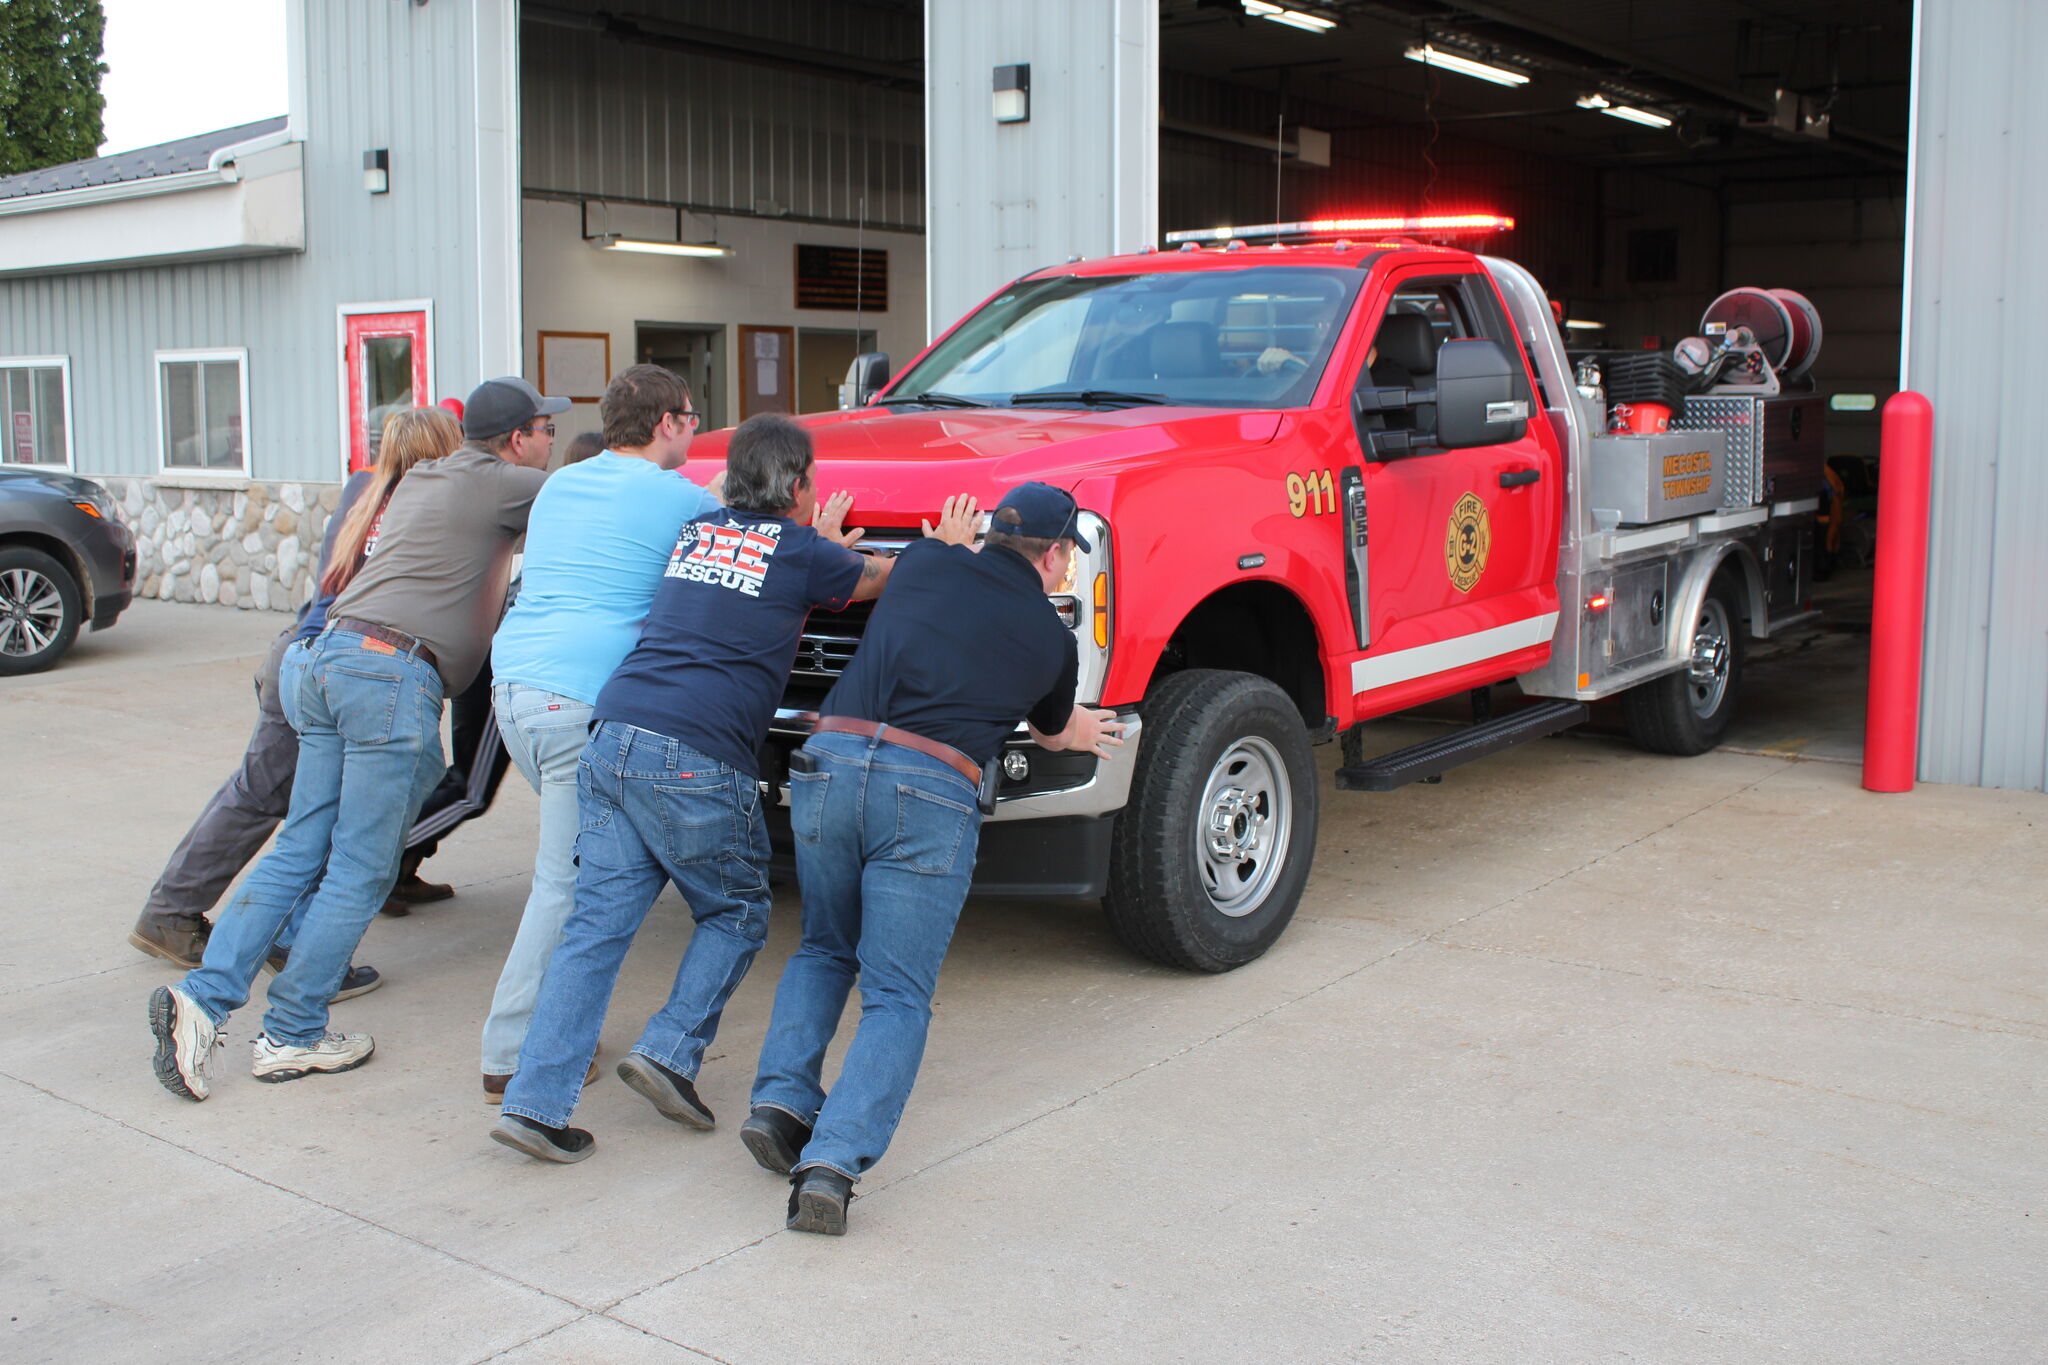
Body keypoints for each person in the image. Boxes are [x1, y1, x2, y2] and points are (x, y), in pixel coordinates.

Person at [489, 413, 895, 1165]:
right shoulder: (803, 551)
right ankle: (670, 1049)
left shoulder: (697, 532)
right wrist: (949, 551)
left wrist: (820, 544)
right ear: (801, 484)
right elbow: (874, 578)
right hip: (695, 754)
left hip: (612, 736)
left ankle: (534, 1104)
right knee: (738, 910)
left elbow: (761, 567)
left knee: (595, 925)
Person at [149, 377, 562, 1102]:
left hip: (327, 659)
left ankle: (204, 1000)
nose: (551, 440)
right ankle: (293, 1030)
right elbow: (585, 501)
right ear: (515, 440)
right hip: (389, 675)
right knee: (360, 869)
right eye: (544, 429)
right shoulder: (505, 483)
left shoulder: (426, 475)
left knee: (300, 848)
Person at [744, 482, 1123, 1235]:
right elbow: (1053, 734)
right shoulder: (1052, 639)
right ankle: (831, 1163)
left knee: (824, 946)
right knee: (897, 993)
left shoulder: (922, 562)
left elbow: (937, 562)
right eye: (1064, 558)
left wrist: (946, 543)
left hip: (827, 764)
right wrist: (1084, 730)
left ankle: (780, 1102)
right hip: (928, 788)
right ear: (1053, 555)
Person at [126, 407, 463, 989]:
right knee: (331, 813)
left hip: (300, 654)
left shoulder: (366, 485)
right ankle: (235, 928)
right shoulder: (437, 505)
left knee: (265, 798)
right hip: (358, 663)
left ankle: (184, 914)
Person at [479, 364, 714, 1101]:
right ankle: (513, 1051)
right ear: (667, 423)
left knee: (584, 872)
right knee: (566, 883)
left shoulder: (560, 485)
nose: (696, 427)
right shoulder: (683, 500)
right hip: (577, 703)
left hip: (513, 690)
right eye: (690, 415)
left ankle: (552, 1030)